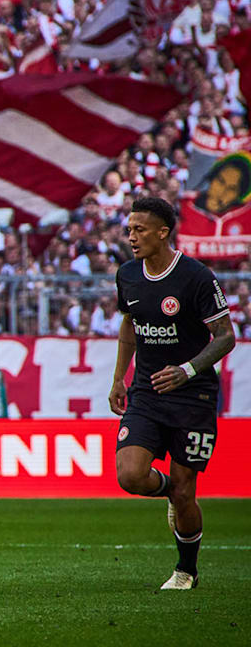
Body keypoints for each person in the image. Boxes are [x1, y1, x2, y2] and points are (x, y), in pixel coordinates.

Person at [108, 196, 235, 590]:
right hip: (146, 392)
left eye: (139, 229)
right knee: (130, 475)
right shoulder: (127, 275)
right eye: (129, 229)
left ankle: (186, 571)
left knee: (187, 492)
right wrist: (118, 378)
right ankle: (167, 490)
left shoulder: (196, 277)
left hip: (191, 396)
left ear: (163, 233)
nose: (131, 236)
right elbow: (130, 325)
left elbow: (226, 336)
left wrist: (188, 369)